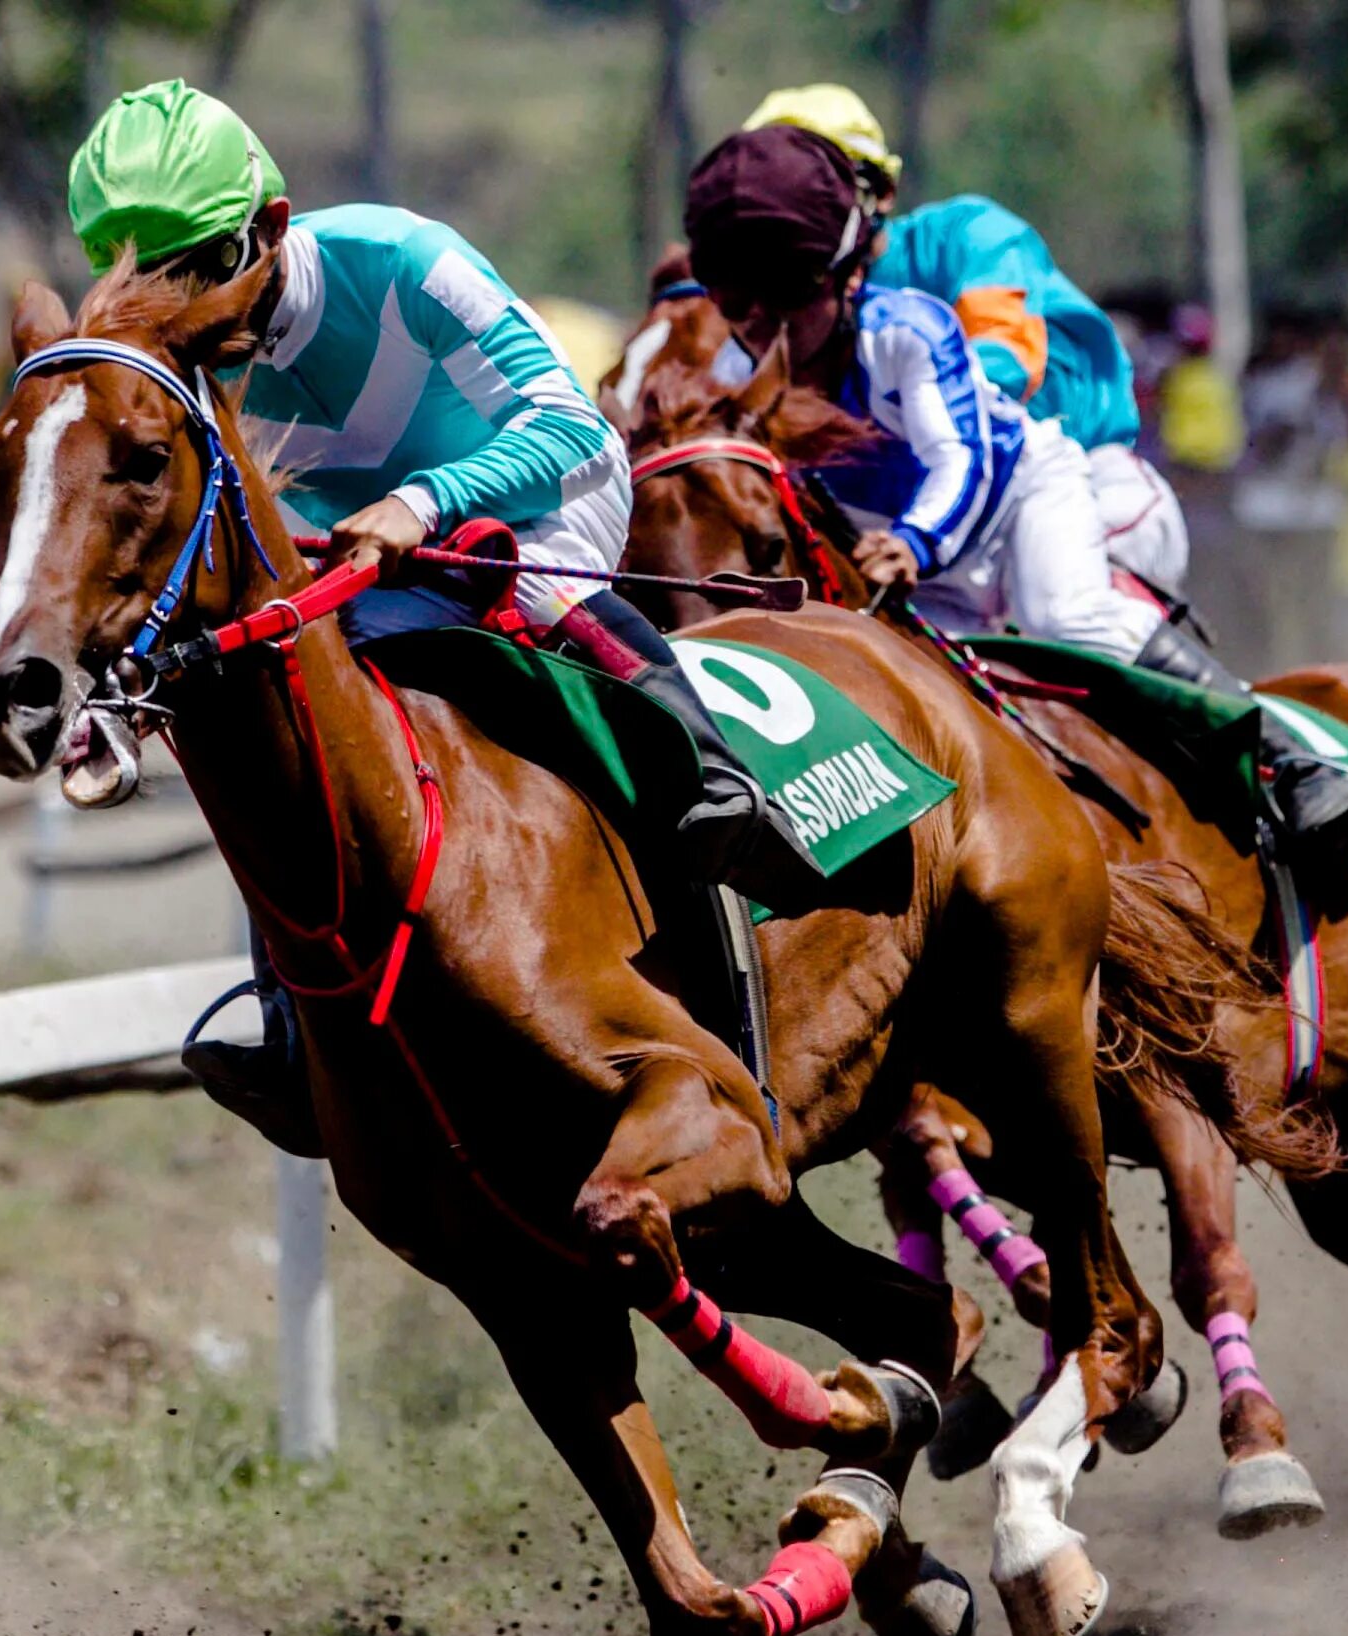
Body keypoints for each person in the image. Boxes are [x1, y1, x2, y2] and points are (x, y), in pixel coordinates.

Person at [65, 80, 813, 1152]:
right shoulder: (171, 371)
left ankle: (718, 784)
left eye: (204, 270)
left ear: (272, 229)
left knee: (528, 587)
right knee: (283, 734)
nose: (184, 310)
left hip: (538, 498)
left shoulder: (400, 259)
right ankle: (289, 1024)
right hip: (364, 563)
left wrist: (427, 501)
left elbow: (568, 427)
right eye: (148, 282)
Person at [680, 123, 1348, 856]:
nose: (764, 330)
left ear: (849, 275)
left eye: (787, 302)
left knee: (1068, 616)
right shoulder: (738, 383)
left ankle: (1294, 764)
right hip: (929, 571)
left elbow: (959, 458)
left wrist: (915, 541)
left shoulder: (907, 331)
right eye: (739, 306)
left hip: (1021, 499)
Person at [737, 85, 1190, 600]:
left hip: (1081, 482)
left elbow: (1007, 362)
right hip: (925, 525)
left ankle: (1202, 683)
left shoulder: (971, 235)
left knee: (1071, 618)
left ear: (881, 192)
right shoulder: (768, 299)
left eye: (818, 188)